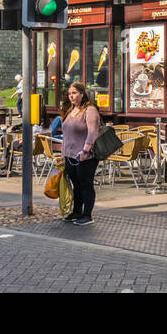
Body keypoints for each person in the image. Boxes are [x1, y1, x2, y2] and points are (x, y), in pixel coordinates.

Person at [61, 81, 101, 226]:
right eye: (70, 94)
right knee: (76, 185)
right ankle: (76, 212)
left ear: (82, 94)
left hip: (86, 156)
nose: (71, 96)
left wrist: (86, 150)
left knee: (86, 185)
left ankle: (87, 215)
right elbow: (66, 134)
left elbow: (93, 132)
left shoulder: (90, 110)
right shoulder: (72, 109)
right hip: (70, 155)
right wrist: (63, 153)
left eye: (75, 93)